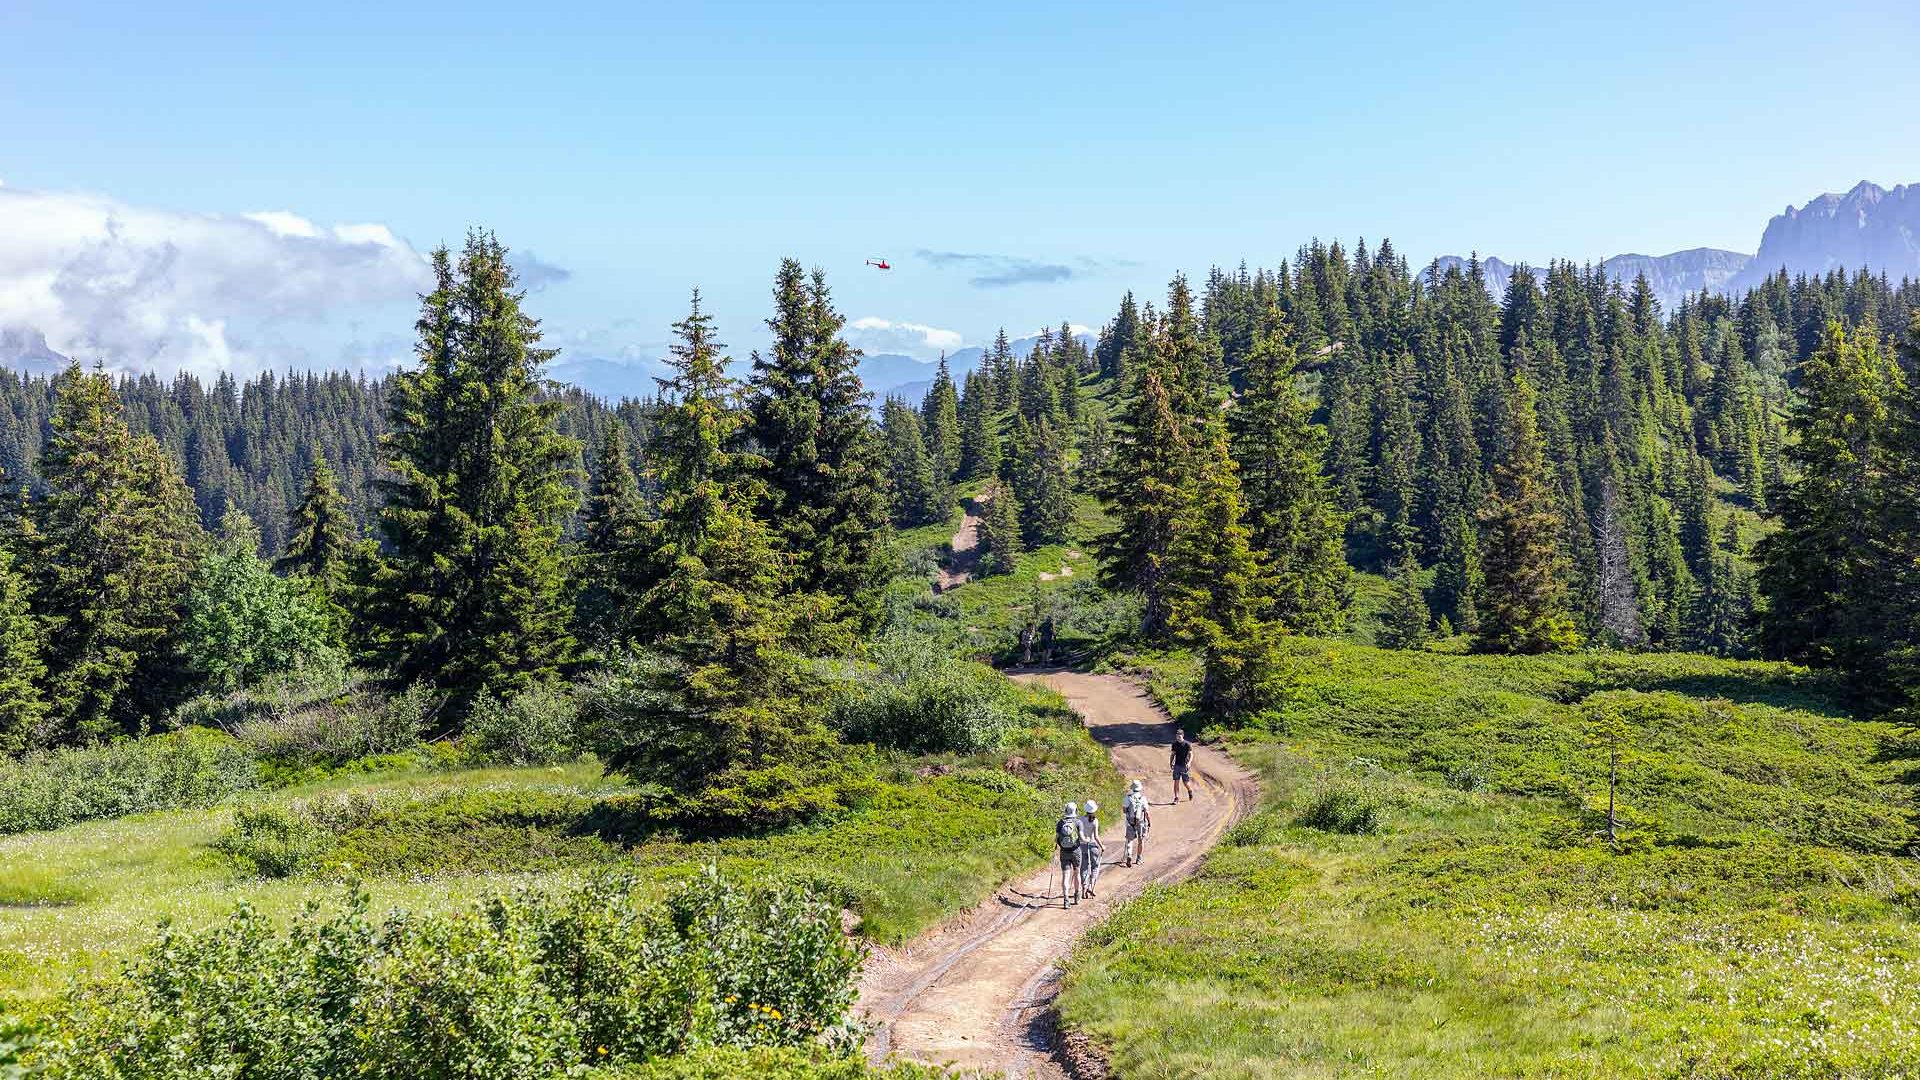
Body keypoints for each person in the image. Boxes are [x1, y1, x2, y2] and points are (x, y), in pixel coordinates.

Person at [1055, 802, 1083, 907]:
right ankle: (1077, 895)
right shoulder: (1078, 822)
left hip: (1064, 852)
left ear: (1066, 810)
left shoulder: (1060, 823)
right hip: (1076, 851)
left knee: (1065, 876)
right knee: (1077, 873)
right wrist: (1088, 840)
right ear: (1075, 810)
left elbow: (1056, 839)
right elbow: (1081, 837)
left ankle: (1066, 900)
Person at [1122, 780, 1151, 867]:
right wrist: (1149, 822)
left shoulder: (1128, 797)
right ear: (1139, 789)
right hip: (1141, 822)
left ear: (1132, 788)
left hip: (1130, 822)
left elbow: (1124, 810)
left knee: (1130, 840)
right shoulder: (1143, 798)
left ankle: (1129, 855)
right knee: (1141, 840)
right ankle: (1139, 859)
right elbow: (1147, 812)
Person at [1078, 799, 1104, 897]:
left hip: (1082, 846)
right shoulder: (1095, 821)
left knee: (1084, 867)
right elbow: (1096, 837)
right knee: (1095, 866)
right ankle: (1091, 886)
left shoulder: (1080, 820)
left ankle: (1084, 888)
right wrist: (1102, 846)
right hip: (1092, 845)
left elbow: (1079, 835)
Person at [1170, 730, 1196, 803]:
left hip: (1184, 766)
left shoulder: (1187, 744)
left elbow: (1191, 754)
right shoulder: (1174, 744)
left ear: (1183, 736)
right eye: (1177, 736)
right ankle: (1176, 798)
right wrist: (1171, 762)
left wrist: (1189, 763)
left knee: (1185, 782)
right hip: (1177, 765)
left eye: (1179, 736)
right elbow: (1173, 754)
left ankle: (1190, 790)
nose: (1178, 738)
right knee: (1176, 782)